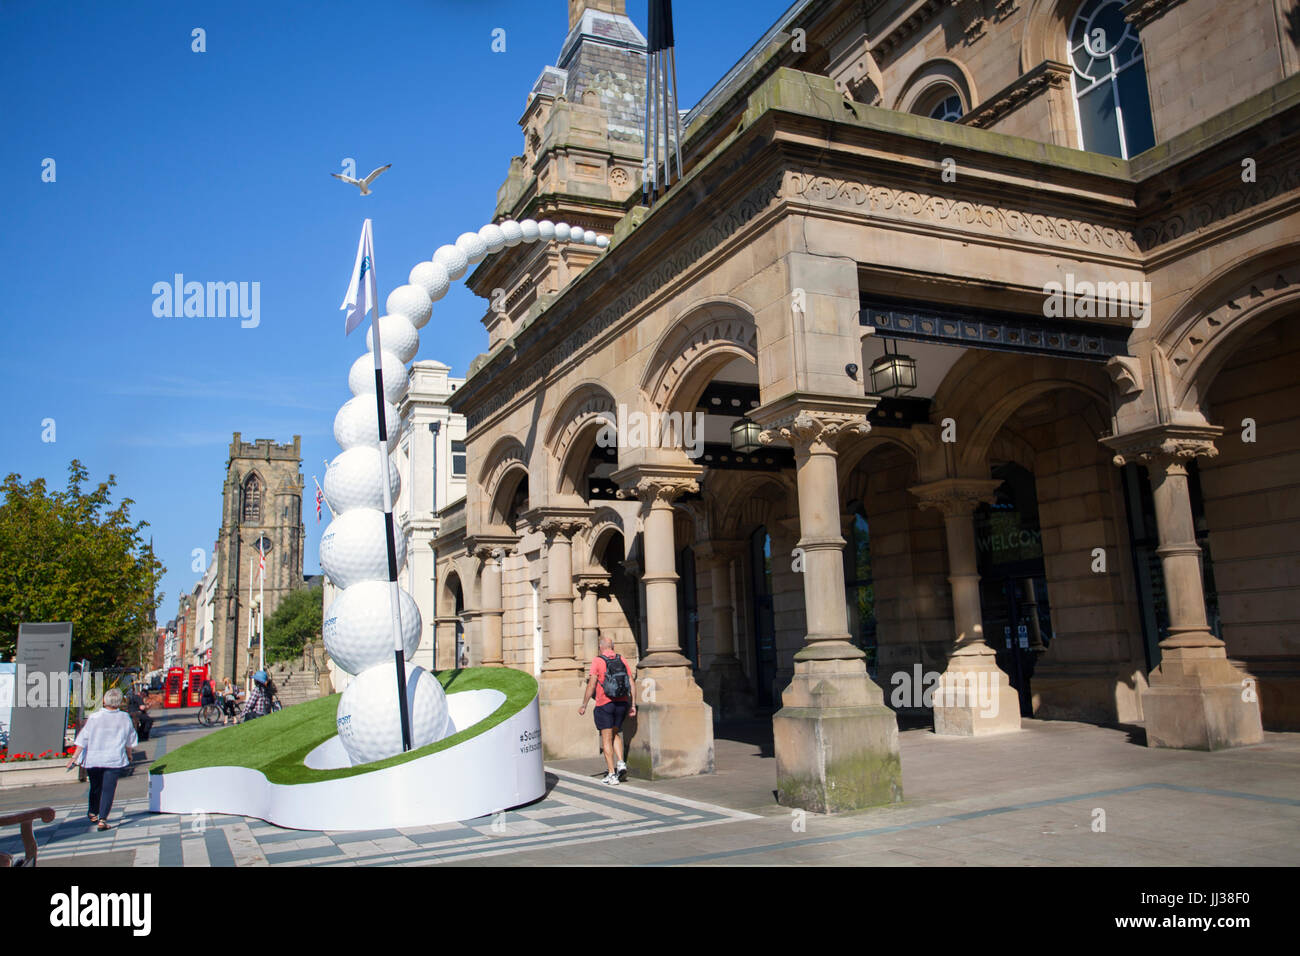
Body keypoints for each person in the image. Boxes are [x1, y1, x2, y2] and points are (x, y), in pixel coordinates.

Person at [66, 688, 138, 831]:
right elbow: (130, 739)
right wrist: (129, 754)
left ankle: (93, 811)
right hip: (114, 758)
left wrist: (74, 757)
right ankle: (103, 819)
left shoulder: (94, 717)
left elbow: (83, 738)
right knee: (108, 789)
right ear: (119, 702)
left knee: (96, 786)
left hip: (94, 758)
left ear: (104, 700)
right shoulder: (124, 717)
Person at [578, 633, 636, 785]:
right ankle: (621, 762)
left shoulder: (598, 661)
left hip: (605, 703)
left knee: (606, 739)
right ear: (613, 647)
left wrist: (584, 704)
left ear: (601, 647)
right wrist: (633, 704)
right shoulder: (621, 659)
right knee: (616, 732)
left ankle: (611, 773)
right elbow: (631, 682)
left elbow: (591, 685)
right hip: (622, 703)